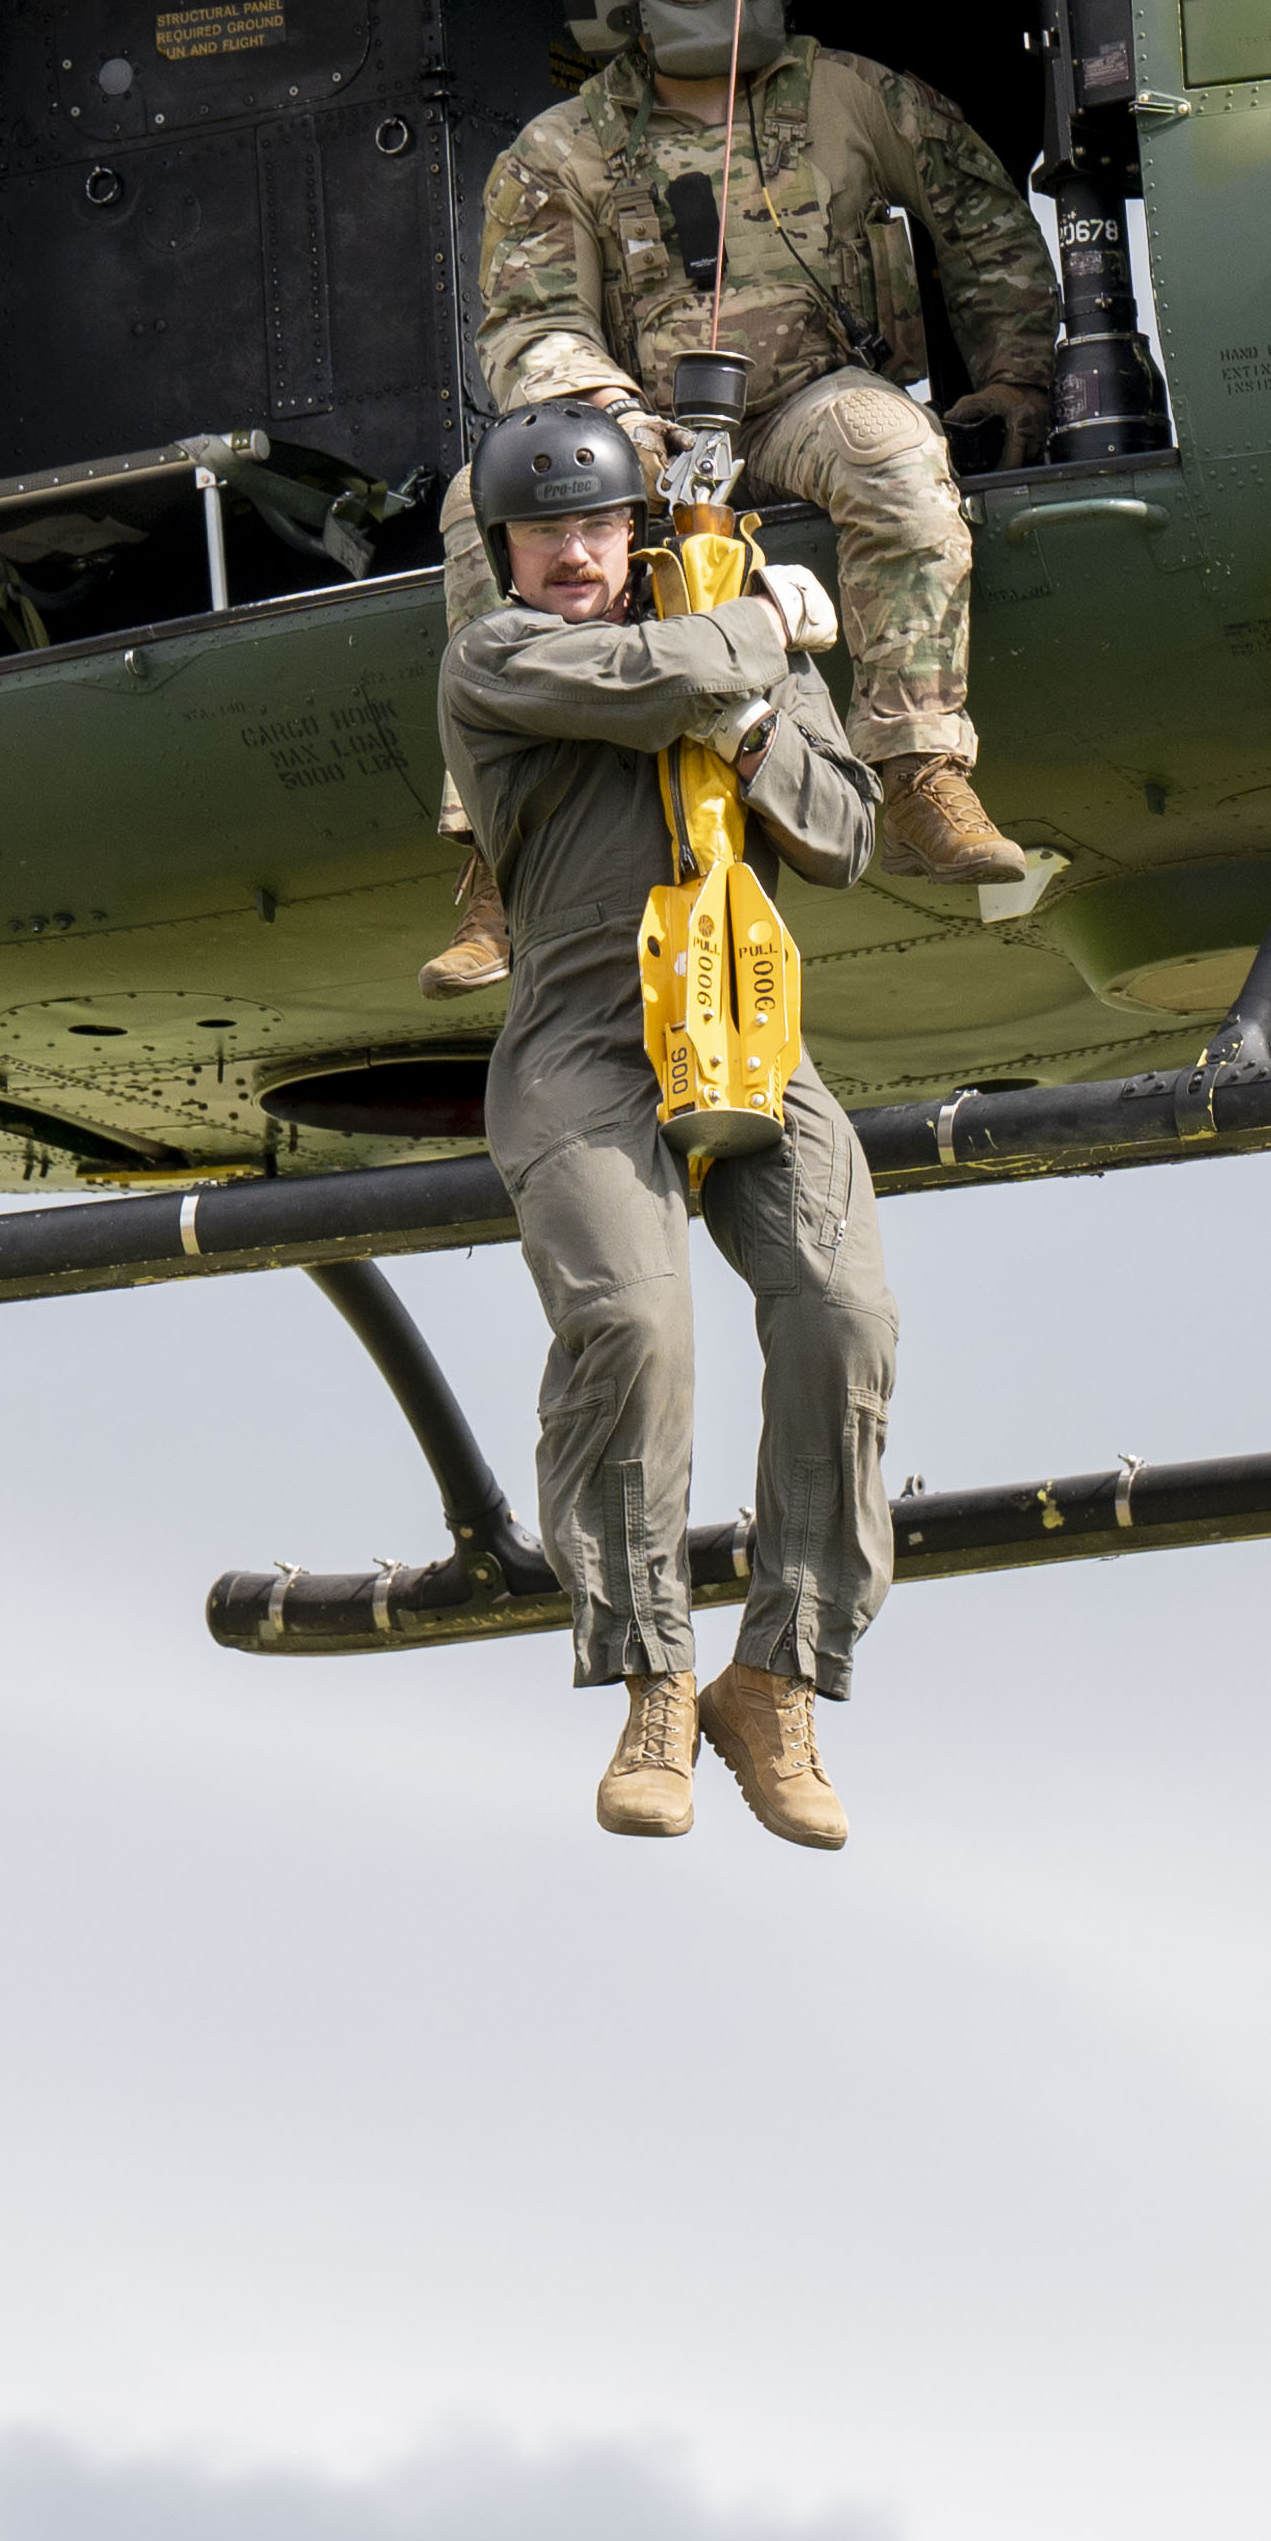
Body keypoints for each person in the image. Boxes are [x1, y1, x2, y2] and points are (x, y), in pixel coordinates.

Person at [416, 0, 1059, 999]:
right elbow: (528, 325)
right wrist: (609, 418)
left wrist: (1017, 379)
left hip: (806, 405)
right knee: (481, 507)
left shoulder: (850, 94)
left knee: (898, 454)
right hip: (642, 444)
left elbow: (983, 225)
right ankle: (500, 867)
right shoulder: (557, 154)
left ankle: (916, 770)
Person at [438, 397, 895, 1847]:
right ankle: (654, 1671)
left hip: (746, 1015)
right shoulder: (504, 656)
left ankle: (778, 1679)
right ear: (506, 551)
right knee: (634, 1325)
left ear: (631, 527)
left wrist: (761, 724)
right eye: (541, 532)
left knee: (843, 1317)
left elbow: (845, 834)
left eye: (594, 523)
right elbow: (647, 689)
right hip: (584, 1040)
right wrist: (763, 633)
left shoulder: (713, 629)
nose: (571, 552)